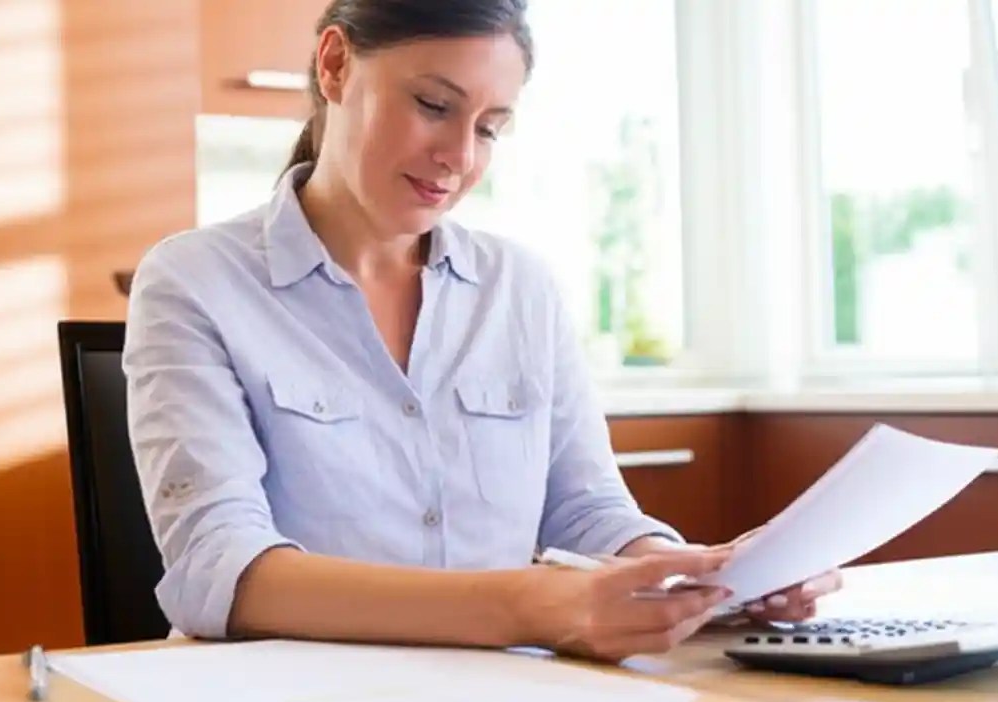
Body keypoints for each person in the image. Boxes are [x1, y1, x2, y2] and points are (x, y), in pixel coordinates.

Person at [123, 0, 839, 663]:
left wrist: (705, 578)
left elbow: (585, 512)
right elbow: (221, 570)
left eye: (490, 128)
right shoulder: (195, 280)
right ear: (335, 65)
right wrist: (528, 605)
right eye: (434, 105)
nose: (460, 157)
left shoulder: (520, 289)